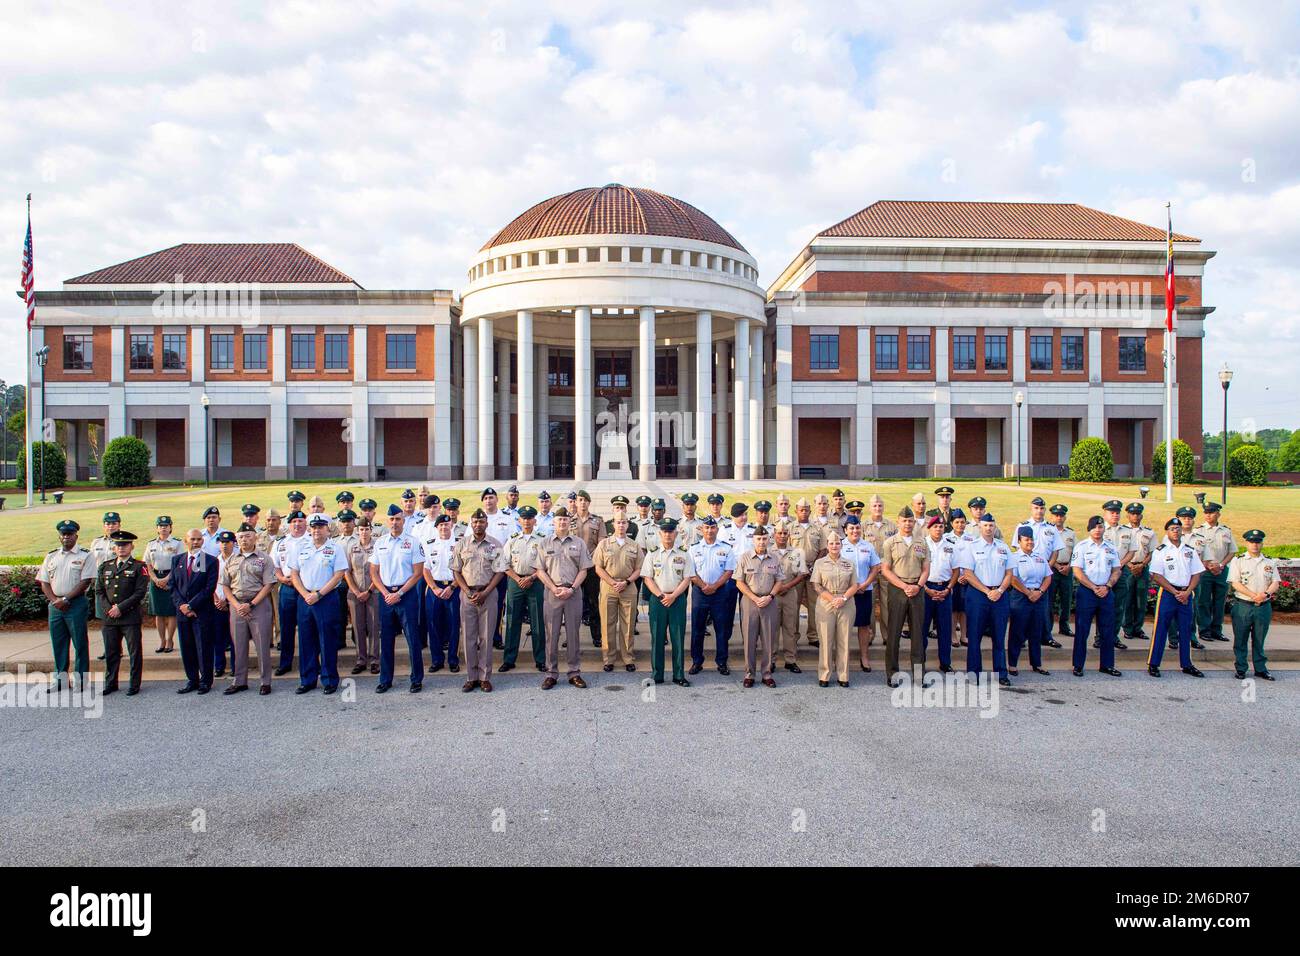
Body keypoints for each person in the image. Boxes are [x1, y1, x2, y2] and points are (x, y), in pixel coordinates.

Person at [288, 514, 349, 694]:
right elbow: (294, 574)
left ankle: (329, 679)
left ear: (327, 529)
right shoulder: (301, 548)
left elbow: (339, 574)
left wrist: (319, 594)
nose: (316, 530)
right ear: (309, 529)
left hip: (326, 598)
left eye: (321, 527)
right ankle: (307, 680)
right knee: (306, 641)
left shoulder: (335, 548)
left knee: (327, 641)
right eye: (314, 527)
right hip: (305, 598)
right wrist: (306, 594)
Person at [451, 508, 509, 693]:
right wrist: (467, 591)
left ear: (487, 523)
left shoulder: (495, 544)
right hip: (467, 595)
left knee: (486, 637)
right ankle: (471, 677)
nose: (478, 525)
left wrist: (486, 592)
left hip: (488, 594)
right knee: (468, 637)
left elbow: (500, 571)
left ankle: (485, 677)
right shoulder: (462, 544)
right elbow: (456, 570)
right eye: (475, 522)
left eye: (481, 522)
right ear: (471, 523)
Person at [536, 506, 592, 690]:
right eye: (559, 519)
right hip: (552, 594)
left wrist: (572, 588)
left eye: (566, 520)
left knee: (573, 634)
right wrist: (553, 587)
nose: (563, 522)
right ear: (554, 522)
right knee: (551, 635)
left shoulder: (579, 543)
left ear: (570, 522)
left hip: (573, 593)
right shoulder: (544, 543)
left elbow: (584, 569)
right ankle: (551, 673)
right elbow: (540, 570)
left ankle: (574, 672)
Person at [369, 506, 424, 694]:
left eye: (398, 519)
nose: (394, 522)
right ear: (387, 521)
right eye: (391, 519)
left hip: (406, 595)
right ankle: (385, 679)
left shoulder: (413, 542)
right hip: (385, 596)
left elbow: (417, 573)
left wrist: (399, 594)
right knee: (386, 640)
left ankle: (416, 679)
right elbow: (373, 572)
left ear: (403, 521)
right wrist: (385, 593)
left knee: (412, 639)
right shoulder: (380, 543)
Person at [37, 519, 94, 691]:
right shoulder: (51, 556)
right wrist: (55, 600)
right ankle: (60, 680)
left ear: (76, 535)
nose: (66, 537)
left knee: (79, 643)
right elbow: (44, 581)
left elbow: (85, 581)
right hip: (55, 606)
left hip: (75, 604)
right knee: (58, 644)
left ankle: (81, 680)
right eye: (64, 534)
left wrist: (66, 600)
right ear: (59, 536)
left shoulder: (85, 555)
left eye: (70, 534)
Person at [220, 523, 276, 695]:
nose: (244, 540)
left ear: (255, 537)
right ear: (237, 539)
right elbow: (225, 585)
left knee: (262, 645)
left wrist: (251, 604)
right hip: (237, 606)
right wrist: (236, 605)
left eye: (248, 536)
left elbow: (269, 585)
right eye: (241, 537)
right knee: (239, 645)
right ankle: (240, 680)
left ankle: (265, 681)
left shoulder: (264, 558)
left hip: (258, 605)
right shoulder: (230, 559)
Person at [1145, 518, 1205, 679]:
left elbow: (1197, 573)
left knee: (1186, 630)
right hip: (1168, 594)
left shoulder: (1189, 550)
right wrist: (1175, 592)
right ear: (1167, 531)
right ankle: (1154, 664)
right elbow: (1156, 575)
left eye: (1178, 528)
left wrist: (1187, 592)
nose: (1176, 531)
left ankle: (1187, 664)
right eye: (1172, 528)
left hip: (1186, 594)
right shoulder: (1161, 551)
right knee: (1160, 629)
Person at [960, 514, 1013, 686]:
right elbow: (968, 574)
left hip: (1000, 595)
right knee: (974, 636)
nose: (989, 528)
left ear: (995, 527)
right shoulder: (972, 547)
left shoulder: (1003, 547)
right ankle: (974, 673)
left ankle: (1001, 673)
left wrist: (999, 590)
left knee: (999, 637)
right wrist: (986, 591)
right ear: (980, 527)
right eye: (986, 525)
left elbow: (1009, 573)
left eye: (991, 525)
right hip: (978, 596)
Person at [96, 530, 150, 697]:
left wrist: (120, 608)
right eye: (118, 545)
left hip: (130, 616)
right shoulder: (105, 566)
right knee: (111, 652)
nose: (121, 548)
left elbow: (140, 592)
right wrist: (109, 609)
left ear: (131, 546)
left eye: (125, 545)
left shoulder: (139, 567)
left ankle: (134, 684)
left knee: (134, 652)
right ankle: (111, 683)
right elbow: (99, 591)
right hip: (110, 618)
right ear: (114, 548)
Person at [641, 519, 695, 687]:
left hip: (677, 600)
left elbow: (687, 578)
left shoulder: (684, 553)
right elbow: (647, 577)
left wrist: (673, 596)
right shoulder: (653, 553)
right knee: (657, 638)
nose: (668, 534)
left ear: (676, 534)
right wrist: (660, 595)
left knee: (678, 637)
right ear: (660, 533)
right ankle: (657, 674)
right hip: (658, 600)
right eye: (664, 531)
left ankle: (679, 675)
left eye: (671, 531)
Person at [879, 509, 929, 687]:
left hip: (917, 589)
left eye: (910, 521)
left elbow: (925, 569)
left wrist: (917, 586)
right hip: (897, 589)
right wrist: (904, 586)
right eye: (904, 521)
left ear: (914, 523)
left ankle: (919, 675)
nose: (907, 524)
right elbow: (885, 569)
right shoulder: (890, 543)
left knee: (918, 635)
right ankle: (892, 673)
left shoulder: (922, 542)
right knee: (894, 634)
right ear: (898, 522)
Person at [1070, 515, 1123, 678]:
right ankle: (1078, 665)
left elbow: (1116, 569)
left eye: (1100, 527)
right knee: (1082, 629)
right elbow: (1077, 571)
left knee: (1108, 630)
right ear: (1089, 529)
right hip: (1087, 592)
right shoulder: (1082, 547)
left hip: (1106, 591)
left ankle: (1107, 665)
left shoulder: (1110, 547)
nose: (1098, 530)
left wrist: (1107, 586)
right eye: (1095, 527)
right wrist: (1093, 587)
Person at [734, 525, 785, 688]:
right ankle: (749, 674)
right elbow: (739, 582)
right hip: (750, 602)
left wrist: (770, 596)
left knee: (769, 639)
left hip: (769, 602)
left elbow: (779, 581)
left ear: (769, 539)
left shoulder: (775, 558)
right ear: (753, 540)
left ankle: (767, 673)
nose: (762, 542)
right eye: (758, 539)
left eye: (764, 539)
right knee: (749, 639)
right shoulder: (745, 558)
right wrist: (755, 598)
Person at [593, 513, 643, 673]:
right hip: (609, 586)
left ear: (628, 525)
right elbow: (598, 568)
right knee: (607, 623)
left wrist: (626, 582)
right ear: (613, 525)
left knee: (628, 624)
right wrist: (612, 582)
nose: (621, 525)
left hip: (628, 586)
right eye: (618, 522)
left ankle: (628, 658)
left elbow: (639, 569)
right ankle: (609, 659)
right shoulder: (604, 544)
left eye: (624, 522)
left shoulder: (634, 545)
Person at [688, 516, 736, 676]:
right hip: (699, 593)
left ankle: (722, 662)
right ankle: (697, 661)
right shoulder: (693, 549)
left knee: (721, 629)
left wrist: (714, 586)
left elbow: (729, 571)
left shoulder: (726, 548)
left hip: (720, 592)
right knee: (697, 629)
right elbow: (691, 572)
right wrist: (704, 586)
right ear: (702, 529)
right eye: (706, 528)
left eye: (712, 527)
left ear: (717, 529)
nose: (709, 530)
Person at [1226, 529, 1277, 681]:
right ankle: (1241, 668)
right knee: (1240, 639)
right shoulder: (1238, 560)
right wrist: (1254, 596)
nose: (1255, 545)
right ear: (1247, 543)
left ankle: (1260, 669)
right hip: (1243, 605)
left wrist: (1265, 595)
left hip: (1263, 606)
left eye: (1258, 542)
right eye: (1252, 542)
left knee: (1259, 639)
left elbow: (1275, 582)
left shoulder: (1269, 561)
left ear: (1262, 543)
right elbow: (1235, 582)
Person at [172, 528, 217, 694]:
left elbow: (208, 588)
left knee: (203, 647)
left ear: (202, 541)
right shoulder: (177, 560)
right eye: (192, 539)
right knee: (187, 647)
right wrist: (182, 606)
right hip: (182, 613)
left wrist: (191, 606)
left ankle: (206, 681)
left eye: (199, 539)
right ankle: (192, 679)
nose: (196, 542)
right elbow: (173, 587)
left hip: (201, 612)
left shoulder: (209, 561)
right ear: (186, 541)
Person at [809, 533, 858, 688]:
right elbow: (816, 585)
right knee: (825, 640)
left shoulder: (849, 563)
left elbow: (854, 585)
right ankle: (825, 674)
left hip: (846, 602)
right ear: (827, 545)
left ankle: (843, 675)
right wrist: (832, 599)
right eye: (831, 543)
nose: (834, 546)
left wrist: (843, 598)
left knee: (844, 640)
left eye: (837, 543)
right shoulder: (820, 563)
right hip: (826, 603)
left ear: (841, 545)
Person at [501, 506, 545, 673]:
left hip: (536, 581)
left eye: (530, 518)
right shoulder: (512, 540)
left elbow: (545, 563)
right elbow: (504, 564)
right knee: (512, 621)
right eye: (523, 518)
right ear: (519, 521)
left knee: (538, 621)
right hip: (515, 581)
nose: (526, 521)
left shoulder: (541, 539)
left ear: (535, 520)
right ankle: (509, 659)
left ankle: (540, 659)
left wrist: (532, 577)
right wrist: (518, 578)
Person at [1007, 526, 1053, 678]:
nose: (1030, 542)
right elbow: (1013, 579)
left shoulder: (1040, 557)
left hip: (1038, 596)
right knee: (1017, 632)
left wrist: (1039, 592)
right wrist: (1028, 593)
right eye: (1026, 540)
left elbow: (1048, 577)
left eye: (1032, 539)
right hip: (1021, 597)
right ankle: (1012, 664)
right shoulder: (1014, 557)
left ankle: (1036, 663)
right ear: (1019, 541)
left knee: (1036, 631)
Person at [421, 513, 462, 674]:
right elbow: (425, 569)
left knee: (454, 625)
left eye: (447, 524)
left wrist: (452, 587)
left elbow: (463, 569)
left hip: (454, 587)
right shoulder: (429, 544)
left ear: (451, 525)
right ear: (436, 527)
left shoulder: (459, 544)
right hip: (435, 588)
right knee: (433, 625)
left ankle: (453, 659)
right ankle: (437, 659)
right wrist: (434, 588)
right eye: (441, 525)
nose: (444, 527)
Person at [840, 516, 881, 673]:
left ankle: (864, 656)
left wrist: (865, 584)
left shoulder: (868, 546)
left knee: (864, 626)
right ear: (845, 530)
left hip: (865, 591)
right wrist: (851, 588)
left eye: (857, 528)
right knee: (844, 626)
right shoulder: (840, 546)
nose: (855, 531)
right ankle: (843, 658)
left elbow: (875, 567)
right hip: (846, 592)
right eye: (851, 528)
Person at [270, 510, 309, 675]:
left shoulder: (311, 541)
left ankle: (309, 663)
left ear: (305, 524)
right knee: (286, 627)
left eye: (300, 522)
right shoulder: (280, 542)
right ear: (289, 524)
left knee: (307, 627)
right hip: (287, 588)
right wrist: (280, 577)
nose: (297, 525)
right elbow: (275, 565)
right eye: (294, 522)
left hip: (306, 588)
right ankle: (285, 663)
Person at [922, 514, 960, 675]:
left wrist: (949, 588)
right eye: (935, 526)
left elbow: (956, 570)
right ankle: (920, 662)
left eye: (941, 526)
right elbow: (917, 569)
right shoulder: (922, 544)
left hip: (945, 589)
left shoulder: (951, 545)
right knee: (922, 628)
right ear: (929, 528)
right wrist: (925, 588)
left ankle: (945, 662)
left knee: (945, 629)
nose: (938, 529)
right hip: (925, 589)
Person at [1194, 502, 1234, 645]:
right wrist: (1208, 565)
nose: (1208, 515)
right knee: (1203, 601)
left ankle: (1217, 630)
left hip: (1222, 570)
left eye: (1211, 512)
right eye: (1206, 513)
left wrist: (1221, 565)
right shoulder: (1198, 531)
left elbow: (1232, 551)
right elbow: (1195, 552)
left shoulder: (1226, 531)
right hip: (1204, 570)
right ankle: (1204, 630)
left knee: (1219, 602)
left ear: (1218, 514)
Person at [770, 520, 808, 674]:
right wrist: (777, 588)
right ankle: (771, 659)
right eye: (779, 533)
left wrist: (787, 586)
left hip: (790, 592)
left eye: (785, 533)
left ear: (789, 535)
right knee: (772, 628)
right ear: (774, 535)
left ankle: (790, 660)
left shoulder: (797, 552)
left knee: (790, 627)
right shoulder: (767, 551)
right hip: (773, 594)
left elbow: (802, 574)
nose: (782, 536)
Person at [790, 499, 827, 649]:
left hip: (813, 571)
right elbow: (786, 549)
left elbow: (823, 549)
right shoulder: (790, 528)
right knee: (794, 604)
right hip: (795, 572)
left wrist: (814, 566)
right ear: (796, 511)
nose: (804, 512)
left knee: (814, 605)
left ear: (810, 511)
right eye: (801, 510)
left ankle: (813, 635)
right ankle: (793, 635)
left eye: (806, 510)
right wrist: (799, 566)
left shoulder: (817, 528)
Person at [345, 517, 380, 676]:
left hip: (374, 591)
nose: (364, 532)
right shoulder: (352, 548)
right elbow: (346, 571)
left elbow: (380, 571)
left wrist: (369, 591)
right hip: (355, 593)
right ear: (357, 531)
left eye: (366, 529)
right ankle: (361, 659)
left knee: (373, 626)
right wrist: (357, 591)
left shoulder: (377, 546)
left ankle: (374, 660)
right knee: (358, 627)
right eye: (361, 530)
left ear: (371, 530)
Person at [143, 517, 183, 654]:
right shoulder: (151, 544)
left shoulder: (177, 543)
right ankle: (162, 640)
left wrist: (167, 578)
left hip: (172, 577)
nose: (163, 528)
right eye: (160, 525)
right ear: (157, 528)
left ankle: (170, 639)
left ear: (171, 527)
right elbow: (147, 563)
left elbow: (179, 563)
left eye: (166, 525)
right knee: (158, 612)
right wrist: (154, 579)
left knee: (171, 612)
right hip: (156, 578)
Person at [861, 495, 896, 651]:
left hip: (887, 570)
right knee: (869, 604)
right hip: (869, 571)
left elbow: (895, 547)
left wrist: (886, 565)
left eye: (880, 505)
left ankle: (888, 636)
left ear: (883, 507)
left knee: (886, 604)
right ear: (870, 507)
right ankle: (869, 635)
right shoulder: (863, 526)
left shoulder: (891, 526)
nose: (877, 508)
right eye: (874, 506)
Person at [571, 491, 605, 648]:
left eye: (585, 500)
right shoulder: (569, 520)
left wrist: (588, 557)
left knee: (593, 602)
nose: (583, 503)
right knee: (573, 604)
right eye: (580, 500)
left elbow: (601, 543)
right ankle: (571, 637)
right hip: (573, 568)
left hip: (591, 567)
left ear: (589, 503)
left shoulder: (598, 521)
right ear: (576, 502)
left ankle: (596, 636)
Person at [1099, 500, 1134, 652]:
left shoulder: (1127, 531)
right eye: (1111, 512)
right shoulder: (1099, 529)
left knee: (1119, 606)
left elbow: (1132, 551)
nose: (1115, 515)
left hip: (1121, 570)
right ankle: (1100, 637)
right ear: (1105, 514)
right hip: (1104, 571)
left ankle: (1113, 636)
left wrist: (1119, 565)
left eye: (1117, 512)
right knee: (1102, 605)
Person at [1122, 502, 1156, 643]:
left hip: (1142, 567)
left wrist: (1142, 564)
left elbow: (1152, 551)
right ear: (1128, 515)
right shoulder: (1122, 531)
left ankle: (1138, 628)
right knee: (1127, 599)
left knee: (1141, 600)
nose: (1135, 516)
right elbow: (1119, 551)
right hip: (1126, 567)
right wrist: (1129, 564)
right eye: (1132, 513)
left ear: (1141, 515)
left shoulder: (1148, 532)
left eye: (1137, 513)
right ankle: (1127, 629)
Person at [1048, 504, 1076, 638]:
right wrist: (1057, 566)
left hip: (1067, 569)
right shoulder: (1047, 531)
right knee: (1050, 599)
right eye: (1056, 515)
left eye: (1061, 515)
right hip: (1052, 569)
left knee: (1066, 599)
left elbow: (1075, 552)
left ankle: (1064, 626)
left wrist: (1069, 566)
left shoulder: (1071, 533)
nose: (1059, 518)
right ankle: (1047, 628)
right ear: (1052, 516)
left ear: (1065, 517)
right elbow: (1045, 552)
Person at [211, 530, 237, 678]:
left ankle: (235, 666)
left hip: (233, 603)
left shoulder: (238, 560)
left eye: (227, 542)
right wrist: (216, 599)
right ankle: (219, 666)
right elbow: (210, 583)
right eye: (222, 542)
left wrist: (228, 601)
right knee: (218, 638)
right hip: (217, 603)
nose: (224, 545)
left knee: (235, 638)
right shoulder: (214, 561)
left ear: (234, 543)